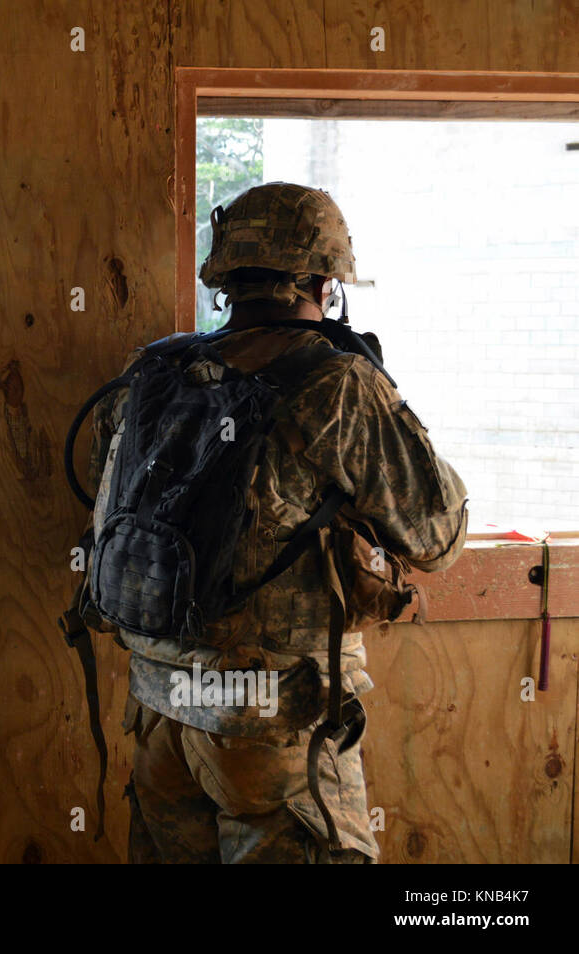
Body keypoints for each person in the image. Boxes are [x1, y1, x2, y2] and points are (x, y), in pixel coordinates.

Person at [87, 182, 468, 863]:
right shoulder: (337, 383)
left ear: (228, 278)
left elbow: (104, 499)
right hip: (271, 728)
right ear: (326, 279)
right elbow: (437, 534)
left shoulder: (152, 371)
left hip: (158, 719)